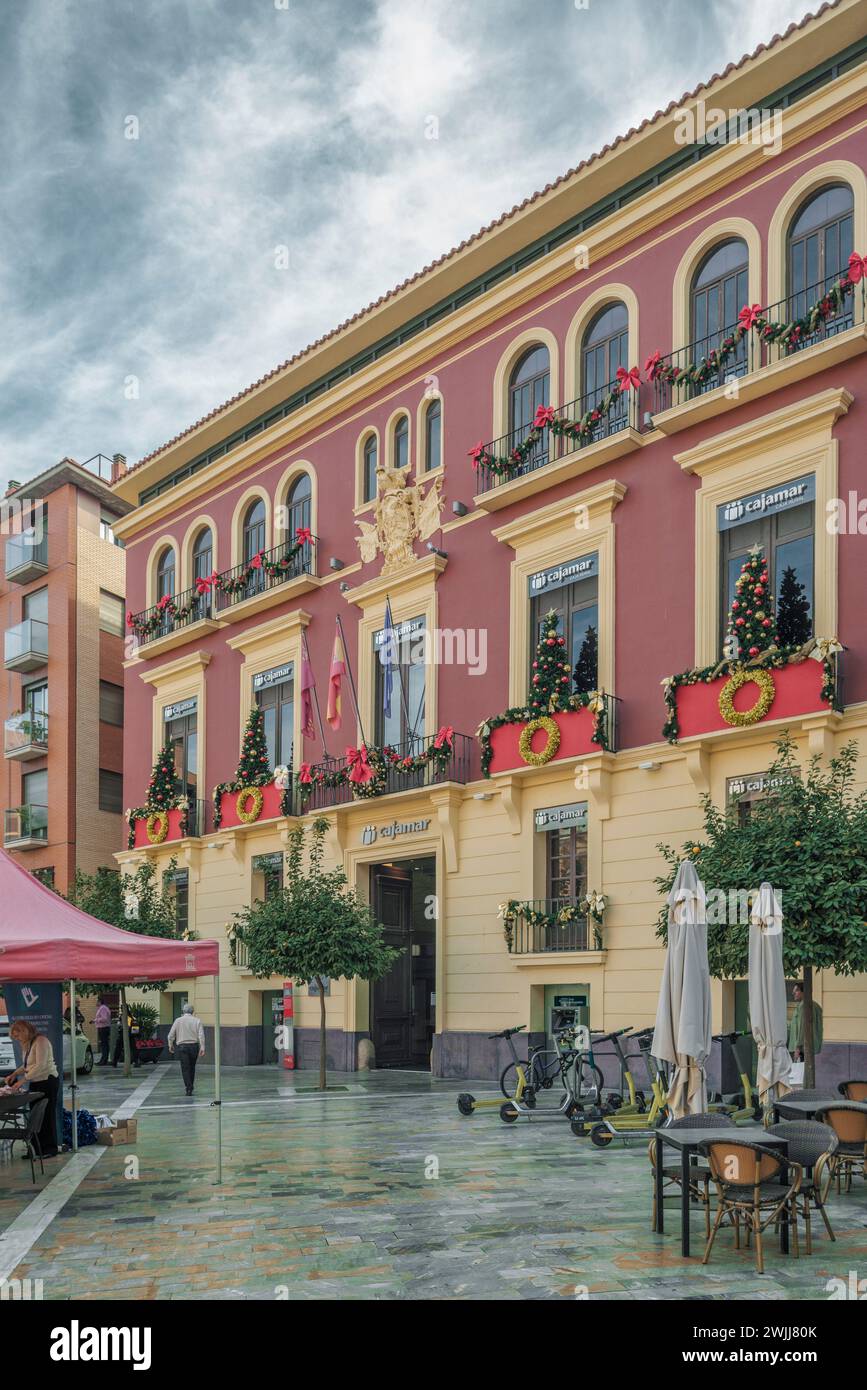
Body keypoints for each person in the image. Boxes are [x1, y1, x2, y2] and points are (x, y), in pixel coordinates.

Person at [5, 1020, 60, 1158]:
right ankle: (36, 1149)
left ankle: (49, 1149)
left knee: (46, 1115)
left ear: (25, 1031)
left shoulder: (41, 1041)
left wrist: (23, 1080)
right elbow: (27, 1065)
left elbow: (40, 1066)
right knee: (35, 1117)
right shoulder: (28, 1044)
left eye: (17, 1036)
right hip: (35, 1081)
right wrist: (14, 1074)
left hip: (47, 1081)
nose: (17, 1039)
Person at [167, 1003, 205, 1096]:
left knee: (185, 1068)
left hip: (182, 1047)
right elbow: (201, 1035)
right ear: (193, 1011)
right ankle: (190, 1086)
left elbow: (171, 1035)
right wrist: (202, 1047)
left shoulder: (178, 1021)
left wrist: (170, 1045)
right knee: (192, 1067)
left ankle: (188, 1088)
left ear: (183, 1011)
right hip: (194, 1046)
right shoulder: (197, 1021)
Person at [788, 982, 823, 1061]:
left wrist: (798, 1047)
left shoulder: (803, 1006)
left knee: (801, 1071)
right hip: (811, 1046)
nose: (793, 993)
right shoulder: (816, 1006)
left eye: (796, 990)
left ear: (804, 992)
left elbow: (802, 1028)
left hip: (802, 1048)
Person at [94, 998, 111, 1066]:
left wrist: (97, 1020)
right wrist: (94, 1020)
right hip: (103, 1028)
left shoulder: (103, 1008)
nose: (96, 1003)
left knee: (104, 1045)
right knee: (104, 1044)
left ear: (100, 1002)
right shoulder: (102, 1008)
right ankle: (104, 1059)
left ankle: (103, 1060)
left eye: (97, 1001)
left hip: (103, 1028)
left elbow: (104, 1018)